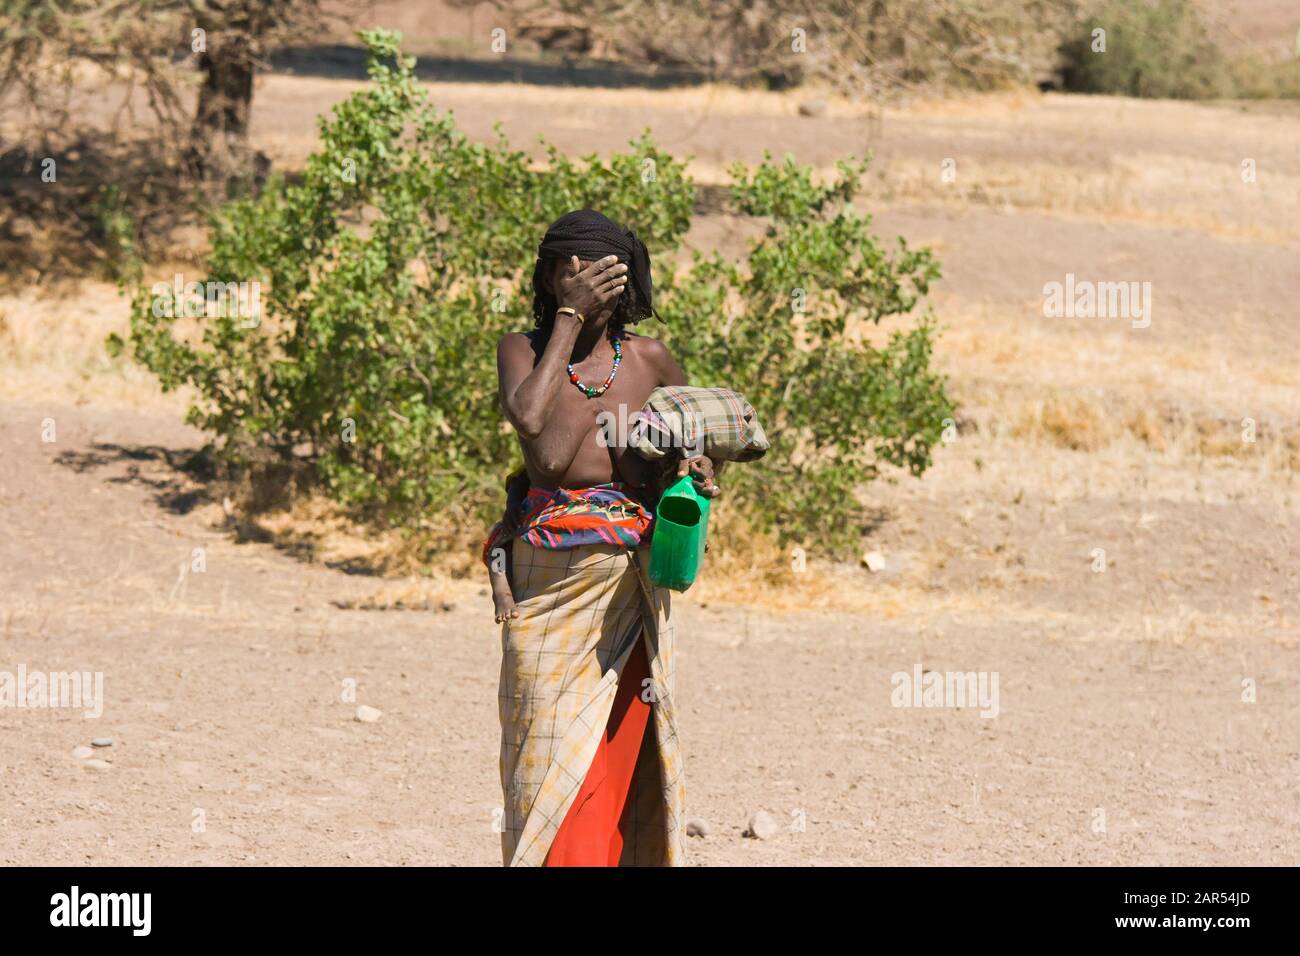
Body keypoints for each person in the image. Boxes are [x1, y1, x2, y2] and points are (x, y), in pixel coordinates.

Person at [489, 209, 716, 866]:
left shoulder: (650, 361)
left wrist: (698, 470)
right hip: (543, 582)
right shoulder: (523, 350)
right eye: (568, 271)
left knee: (613, 751)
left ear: (624, 286)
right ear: (550, 277)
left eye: (593, 275)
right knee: (541, 750)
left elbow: (700, 446)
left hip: (627, 583)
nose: (579, 283)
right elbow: (535, 426)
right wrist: (567, 320)